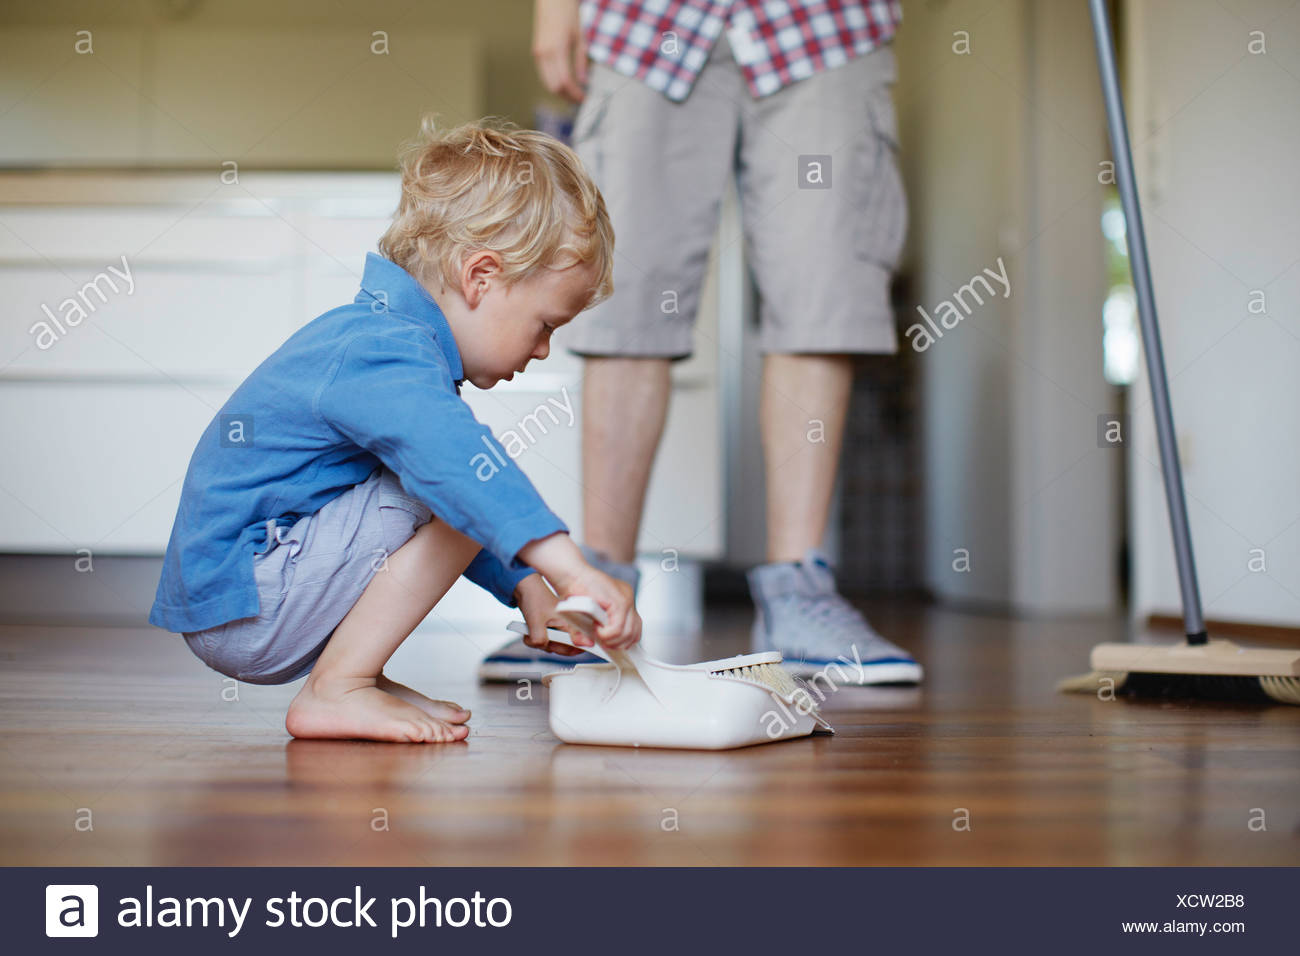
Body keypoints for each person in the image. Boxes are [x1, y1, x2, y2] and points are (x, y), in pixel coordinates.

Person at [149, 119, 641, 743]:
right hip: (251, 600)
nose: (544, 350)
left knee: (443, 478)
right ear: (480, 277)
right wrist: (571, 570)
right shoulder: (382, 349)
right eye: (545, 324)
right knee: (453, 476)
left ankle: (353, 676)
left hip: (250, 594)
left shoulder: (381, 340)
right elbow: (456, 470)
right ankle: (339, 687)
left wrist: (523, 585)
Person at [480, 0, 921, 686]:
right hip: (642, 23)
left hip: (829, 23)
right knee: (620, 291)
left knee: (822, 290)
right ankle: (597, 592)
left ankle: (801, 595)